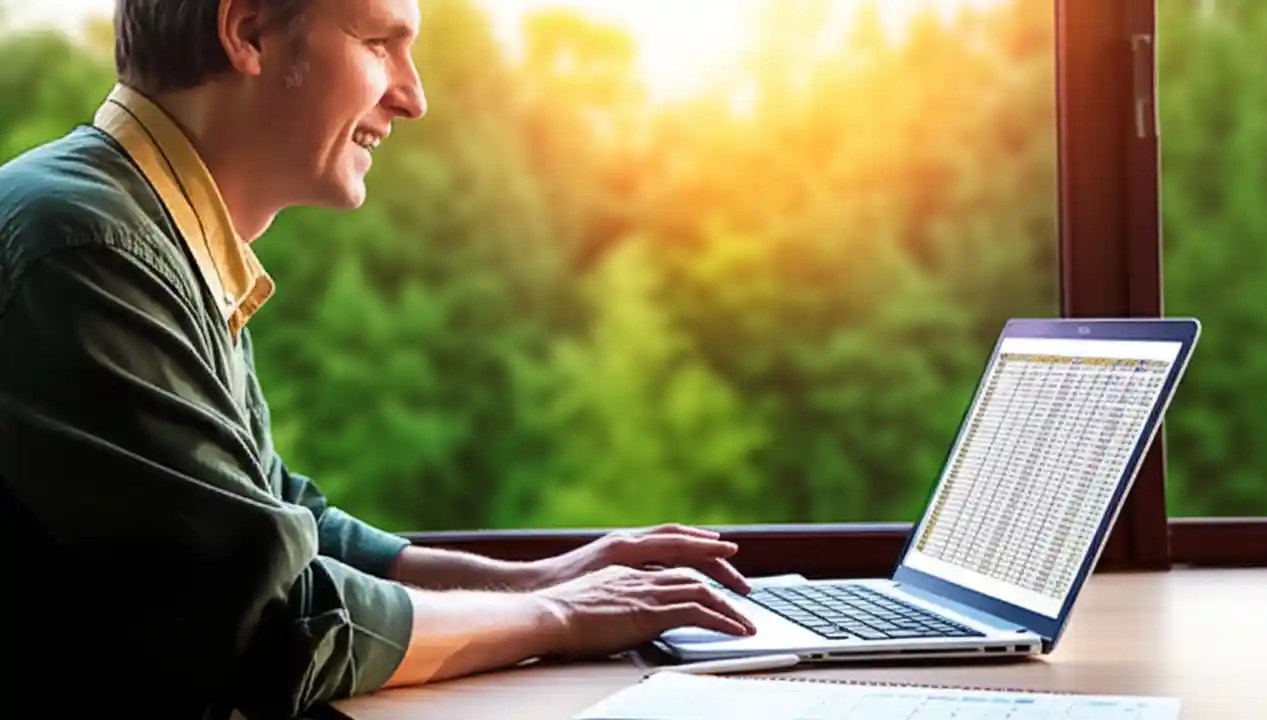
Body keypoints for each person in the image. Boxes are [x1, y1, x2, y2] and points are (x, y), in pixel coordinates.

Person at [0, 0, 758, 717]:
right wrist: (557, 614)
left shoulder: (143, 229)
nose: (413, 97)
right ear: (250, 33)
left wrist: (538, 577)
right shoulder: (89, 249)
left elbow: (280, 523)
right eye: (379, 42)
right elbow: (269, 621)